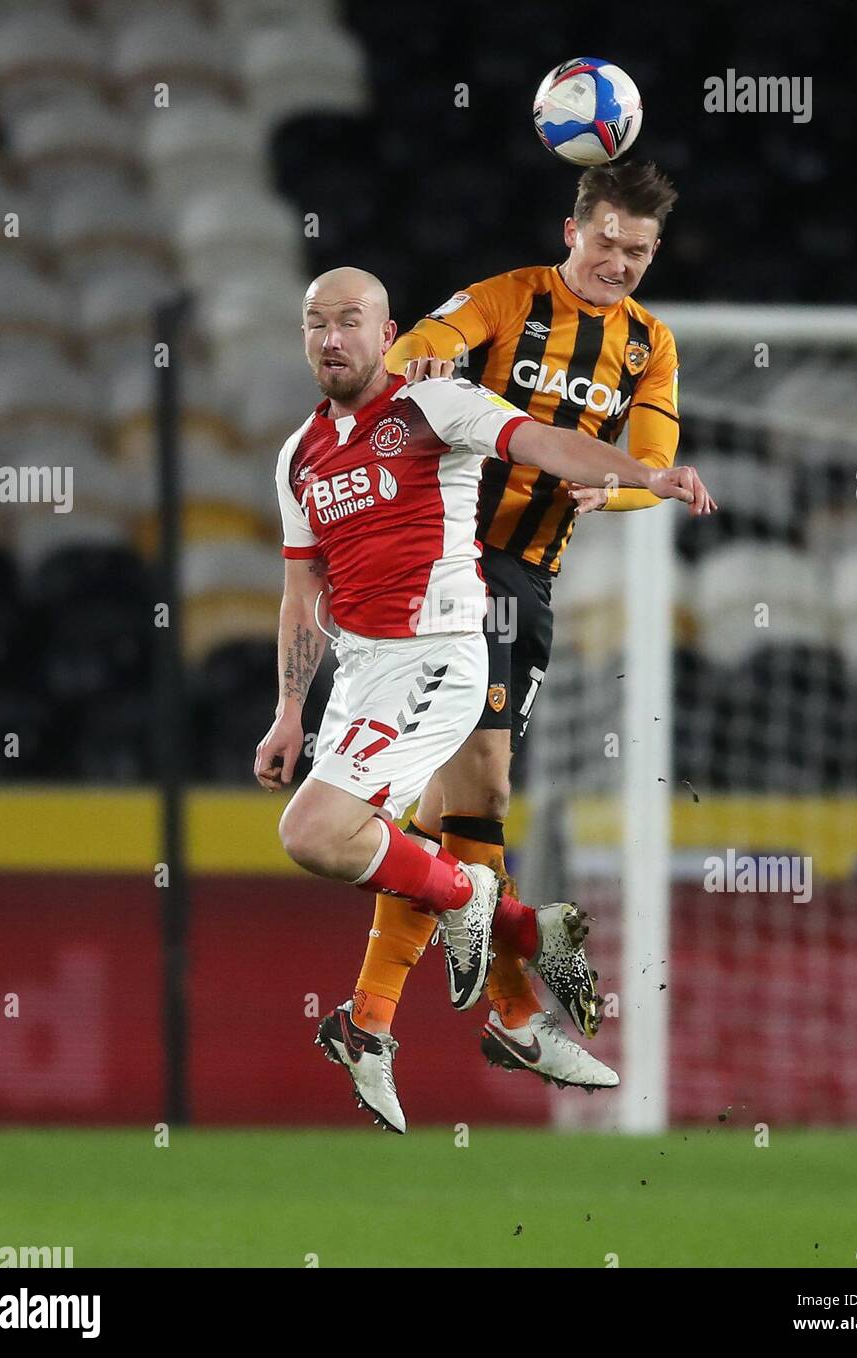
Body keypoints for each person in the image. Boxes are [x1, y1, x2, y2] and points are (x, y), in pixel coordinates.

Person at [255, 264, 713, 1131]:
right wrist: (288, 710)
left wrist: (643, 476)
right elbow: (298, 589)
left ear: (387, 335)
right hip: (359, 676)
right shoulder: (299, 454)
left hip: (438, 657)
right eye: (314, 323)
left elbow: (544, 445)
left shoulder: (436, 407)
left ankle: (461, 935)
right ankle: (514, 950)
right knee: (433, 817)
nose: (330, 338)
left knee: (317, 832)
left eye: (349, 321)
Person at [348, 159, 696, 1090]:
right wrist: (419, 355)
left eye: (639, 250)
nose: (620, 262)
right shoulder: (510, 300)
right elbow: (429, 334)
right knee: (483, 785)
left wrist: (613, 491)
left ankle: (379, 1018)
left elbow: (650, 466)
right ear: (569, 231)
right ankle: (503, 1011)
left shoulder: (648, 346)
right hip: (452, 564)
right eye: (606, 242)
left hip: (527, 581)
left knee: (461, 809)